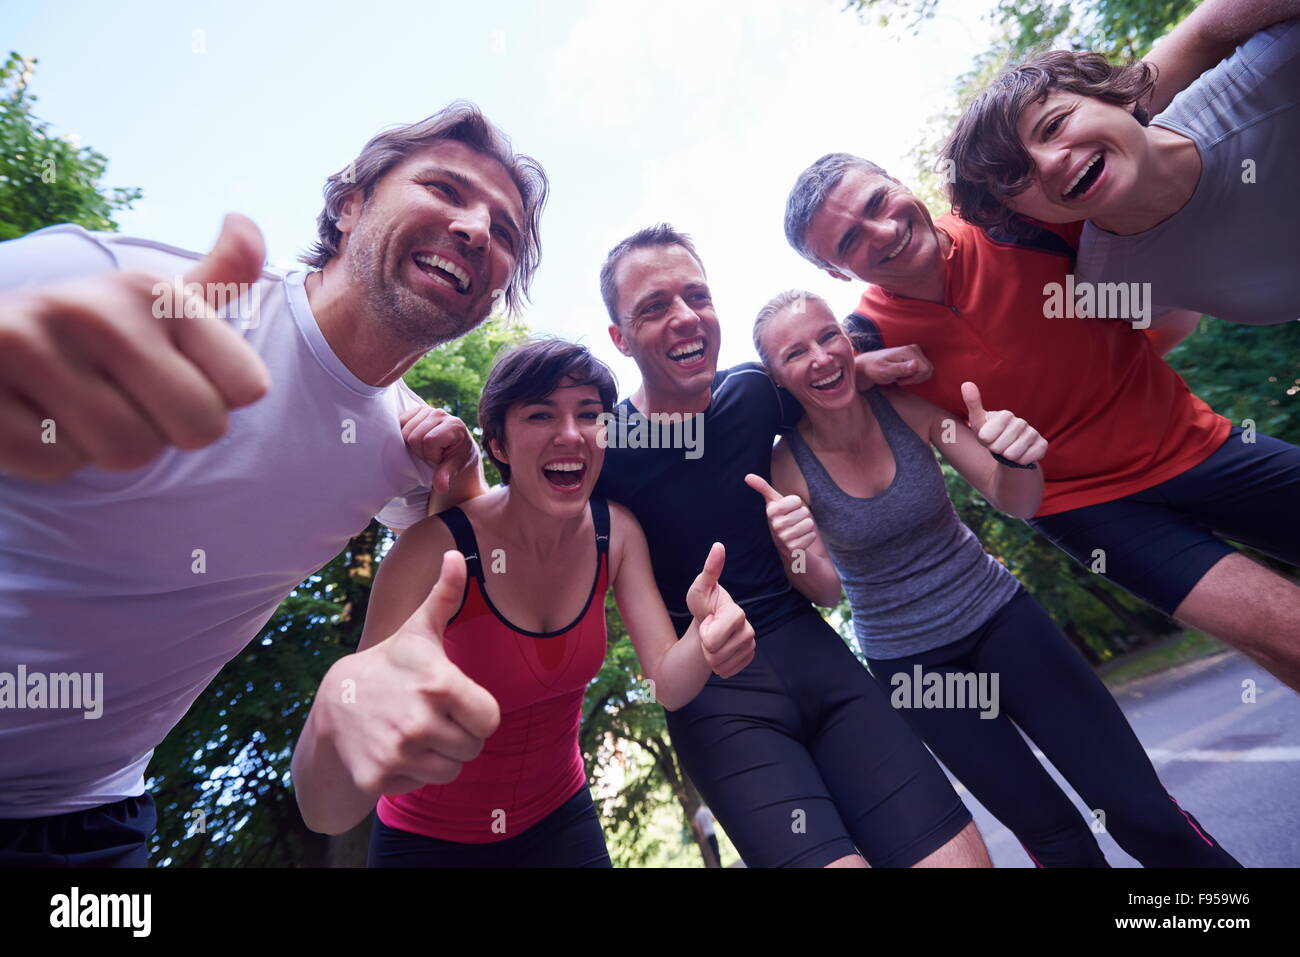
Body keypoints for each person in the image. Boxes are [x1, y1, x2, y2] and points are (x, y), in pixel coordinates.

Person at [0, 102, 546, 866]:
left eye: (505, 232)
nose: (477, 229)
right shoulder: (140, 287)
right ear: (351, 203)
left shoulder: (407, 446)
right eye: (446, 190)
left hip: (94, 822)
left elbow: (463, 550)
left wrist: (466, 470)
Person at [781, 4, 1300, 693]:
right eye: (848, 241)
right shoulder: (858, 342)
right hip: (1087, 507)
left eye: (877, 201)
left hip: (1195, 439)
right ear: (835, 272)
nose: (878, 231)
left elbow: (1126, 112)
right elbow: (772, 396)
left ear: (902, 186)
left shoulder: (1018, 208)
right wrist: (860, 368)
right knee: (1278, 628)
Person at [749, 289, 1241, 867]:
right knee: (1059, 843)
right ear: (777, 380)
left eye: (827, 336)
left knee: (1144, 813)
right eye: (794, 353)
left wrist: (1019, 460)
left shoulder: (904, 407)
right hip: (913, 668)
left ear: (848, 341)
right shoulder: (786, 466)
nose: (820, 358)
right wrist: (798, 550)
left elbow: (1011, 498)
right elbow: (826, 591)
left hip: (1001, 620)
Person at [591, 224, 990, 868]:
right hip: (718, 702)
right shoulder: (602, 453)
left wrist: (871, 364)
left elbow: (822, 378)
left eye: (697, 296)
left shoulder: (752, 394)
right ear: (619, 338)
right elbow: (520, 516)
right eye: (654, 306)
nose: (686, 318)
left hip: (816, 657)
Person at [291, 339, 755, 867]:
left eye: (589, 415)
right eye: (540, 414)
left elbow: (668, 685)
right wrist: (337, 703)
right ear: (499, 445)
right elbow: (325, 811)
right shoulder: (431, 552)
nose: (571, 434)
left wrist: (705, 637)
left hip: (563, 822)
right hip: (427, 842)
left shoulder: (616, 532)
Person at [943, 16, 1300, 326]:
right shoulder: (1107, 285)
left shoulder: (1277, 67)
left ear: (1116, 95)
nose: (1050, 163)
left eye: (1052, 127)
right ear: (1016, 211)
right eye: (1014, 175)